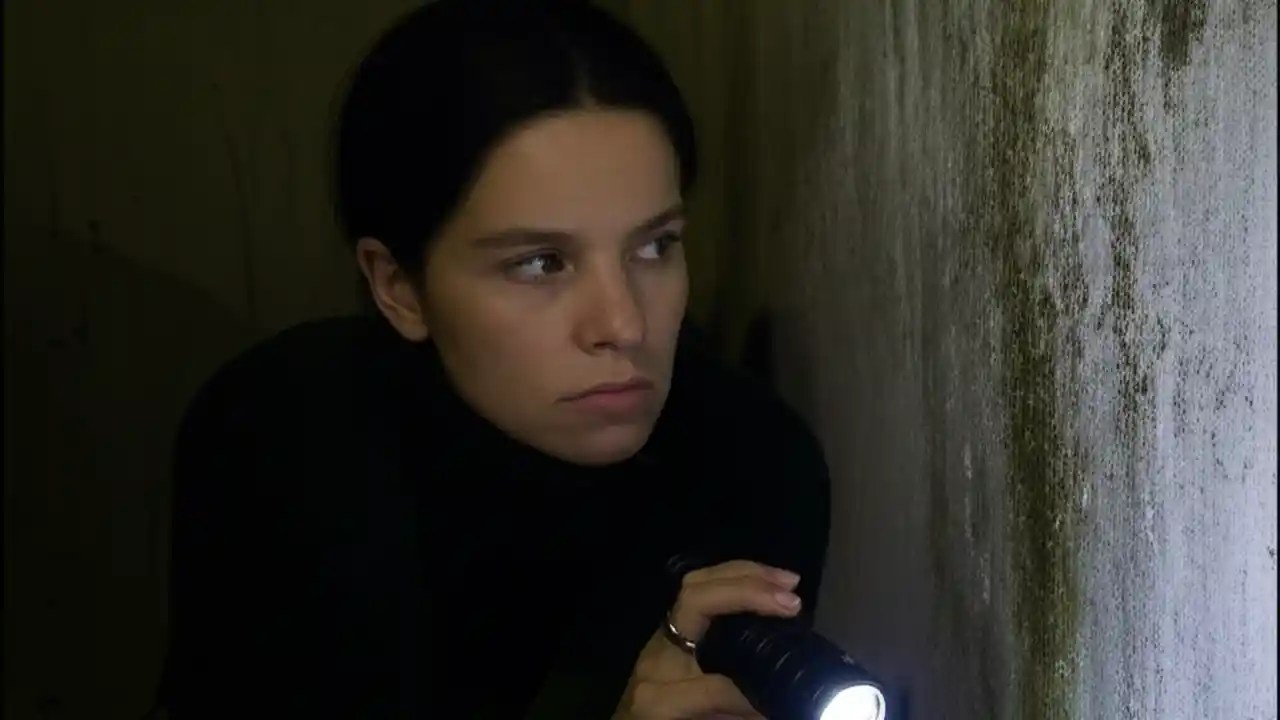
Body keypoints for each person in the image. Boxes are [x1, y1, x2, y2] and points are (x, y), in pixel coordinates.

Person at [156, 1, 831, 717]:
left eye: (655, 246)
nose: (624, 324)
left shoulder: (752, 461)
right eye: (541, 263)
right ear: (398, 288)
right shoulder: (278, 442)